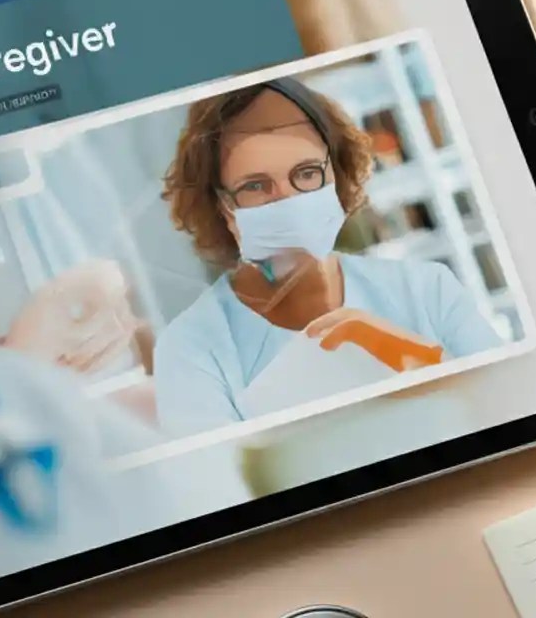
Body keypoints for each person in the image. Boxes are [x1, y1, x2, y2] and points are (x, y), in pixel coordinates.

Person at [154, 77, 501, 436]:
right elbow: (215, 483)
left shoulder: (427, 290)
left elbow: (512, 402)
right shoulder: (191, 349)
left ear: (336, 172)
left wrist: (406, 355)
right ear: (223, 207)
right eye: (255, 186)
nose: (287, 200)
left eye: (306, 174)